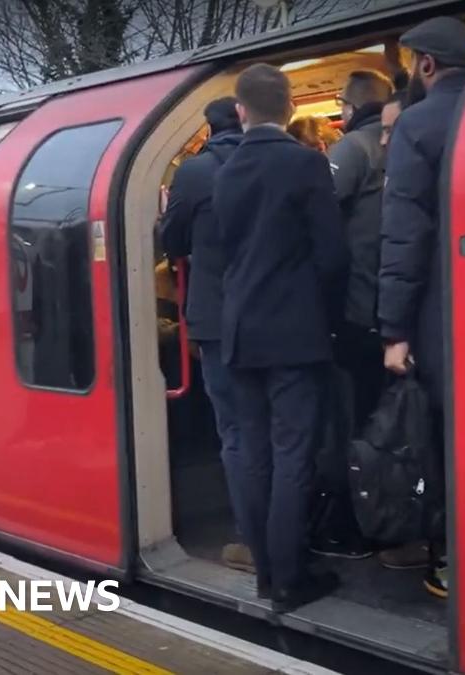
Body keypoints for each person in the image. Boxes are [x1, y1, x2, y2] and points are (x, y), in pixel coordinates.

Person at [211, 64, 349, 612]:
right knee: (293, 452)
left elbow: (228, 251)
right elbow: (332, 254)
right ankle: (292, 577)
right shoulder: (305, 163)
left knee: (254, 454)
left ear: (240, 111)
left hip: (239, 331)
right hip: (294, 331)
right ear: (290, 107)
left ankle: (266, 574)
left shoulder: (225, 171)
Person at [378, 16, 465, 599]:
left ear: (427, 65)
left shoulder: (418, 124)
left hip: (443, 315)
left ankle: (452, 564)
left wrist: (394, 330)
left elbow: (404, 235)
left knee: (440, 438)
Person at [156, 98, 257, 575]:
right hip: (282, 319)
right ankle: (292, 533)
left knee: (236, 432)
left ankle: (253, 539)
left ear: (209, 129)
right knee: (280, 430)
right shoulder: (289, 161)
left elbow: (172, 240)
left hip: (216, 321)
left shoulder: (195, 172)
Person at [307, 70, 394, 561]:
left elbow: (317, 212)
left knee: (350, 423)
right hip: (393, 310)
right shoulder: (398, 143)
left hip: (355, 311)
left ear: (348, 106)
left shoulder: (353, 148)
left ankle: (352, 525)